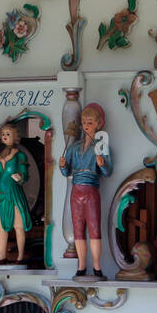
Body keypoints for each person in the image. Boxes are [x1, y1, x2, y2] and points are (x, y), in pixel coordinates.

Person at [58, 103, 113, 278]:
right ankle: (81, 267)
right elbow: (67, 172)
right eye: (84, 122)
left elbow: (108, 172)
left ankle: (97, 267)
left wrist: (102, 164)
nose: (86, 125)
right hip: (76, 191)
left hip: (91, 190)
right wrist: (63, 166)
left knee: (94, 228)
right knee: (78, 229)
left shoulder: (101, 145)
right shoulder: (74, 147)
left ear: (98, 124)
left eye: (90, 122)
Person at [0, 122, 36, 267]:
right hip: (0, 195)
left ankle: (21, 256)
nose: (4, 136)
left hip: (14, 193)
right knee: (1, 228)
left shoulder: (19, 155)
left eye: (8, 134)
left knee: (19, 226)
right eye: (3, 134)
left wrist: (20, 177)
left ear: (15, 137)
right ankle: (2, 255)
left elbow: (25, 174)